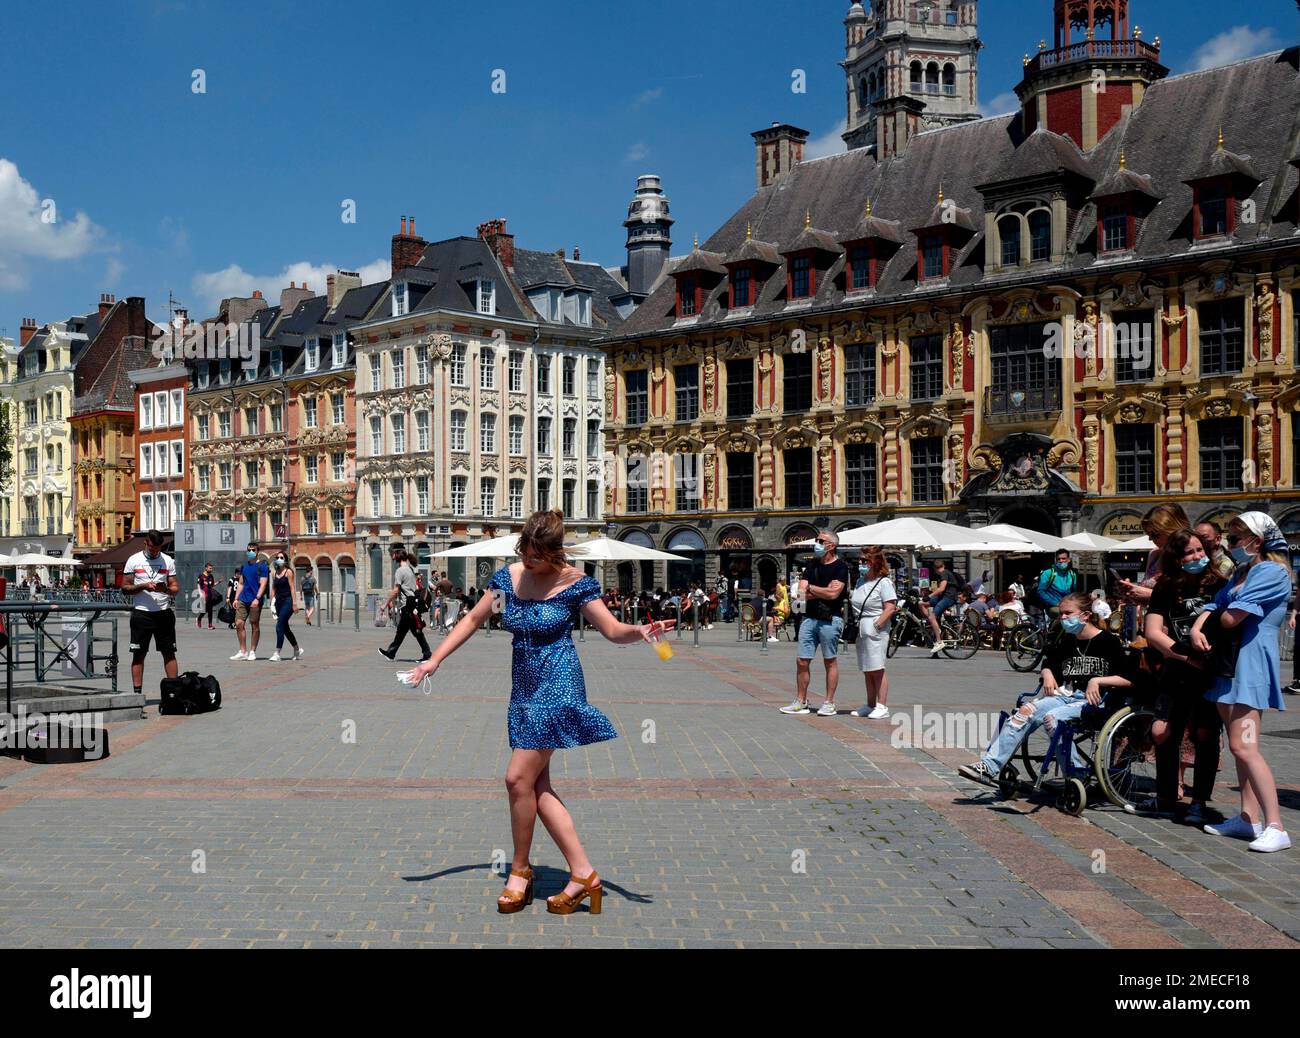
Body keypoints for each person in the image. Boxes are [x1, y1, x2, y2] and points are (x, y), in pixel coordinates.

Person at [400, 509, 674, 915]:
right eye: (524, 551)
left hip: (559, 684)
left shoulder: (575, 583)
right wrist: (433, 661)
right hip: (524, 687)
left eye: (537, 555)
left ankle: (520, 870)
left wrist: (641, 632)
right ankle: (583, 875)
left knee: (515, 778)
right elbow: (474, 619)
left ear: (554, 552)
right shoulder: (508, 579)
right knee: (535, 785)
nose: (528, 560)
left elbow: (613, 631)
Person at [1190, 512, 1292, 852]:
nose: (1230, 546)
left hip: (1250, 663)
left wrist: (1210, 616)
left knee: (1244, 747)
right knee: (1239, 747)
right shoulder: (1246, 571)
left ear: (1257, 540)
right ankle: (1249, 817)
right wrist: (1197, 624)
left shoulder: (1271, 571)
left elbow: (1231, 617)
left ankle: (1276, 824)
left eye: (1235, 539)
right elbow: (1216, 606)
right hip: (1229, 663)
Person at [958, 592, 1133, 786]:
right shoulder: (1068, 640)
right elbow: (1050, 662)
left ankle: (1075, 774)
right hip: (1065, 695)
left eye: (1068, 613)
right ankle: (989, 767)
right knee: (1024, 712)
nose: (1063, 618)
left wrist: (1098, 681)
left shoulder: (1108, 642)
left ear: (1085, 615)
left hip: (1094, 701)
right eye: (1061, 614)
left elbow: (1129, 678)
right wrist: (1048, 673)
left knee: (1053, 718)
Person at [1141, 529, 1227, 823]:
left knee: (1205, 734)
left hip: (1210, 672)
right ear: (1176, 559)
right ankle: (1165, 797)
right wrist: (1184, 655)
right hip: (1177, 668)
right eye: (1188, 553)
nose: (1196, 557)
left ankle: (1199, 802)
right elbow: (1152, 632)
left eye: (1199, 551)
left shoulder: (1220, 584)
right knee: (1162, 732)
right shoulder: (1165, 587)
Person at [781, 529, 849, 717]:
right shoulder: (811, 564)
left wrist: (811, 588)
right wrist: (818, 590)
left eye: (821, 540)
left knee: (830, 661)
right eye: (817, 540)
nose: (816, 543)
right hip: (809, 618)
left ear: (832, 545)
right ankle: (801, 701)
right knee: (802, 660)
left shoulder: (841, 567)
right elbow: (800, 593)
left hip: (830, 619)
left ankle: (829, 702)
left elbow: (834, 594)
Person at [123, 530, 181, 700]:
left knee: (169, 652)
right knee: (138, 654)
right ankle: (137, 696)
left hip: (163, 613)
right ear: (146, 543)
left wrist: (167, 590)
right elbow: (125, 587)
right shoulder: (134, 560)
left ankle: (174, 694)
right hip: (142, 613)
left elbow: (176, 588)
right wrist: (143, 587)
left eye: (157, 549)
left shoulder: (168, 560)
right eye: (152, 548)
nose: (155, 552)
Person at [849, 547, 897, 720]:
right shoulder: (860, 581)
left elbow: (890, 607)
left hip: (875, 626)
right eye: (860, 561)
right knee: (867, 668)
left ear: (874, 562)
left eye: (865, 561)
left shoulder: (884, 582)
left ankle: (882, 705)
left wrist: (877, 625)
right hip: (861, 626)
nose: (861, 564)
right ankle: (870, 704)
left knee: (877, 667)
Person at [1118, 503, 1191, 606]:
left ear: (1172, 530)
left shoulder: (1190, 556)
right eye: (1148, 534)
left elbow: (1191, 599)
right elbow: (1145, 592)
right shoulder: (1154, 554)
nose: (1150, 539)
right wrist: (1132, 590)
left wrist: (1150, 594)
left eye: (1154, 534)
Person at [379, 551, 432, 661]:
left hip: (407, 604)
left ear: (397, 559)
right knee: (410, 630)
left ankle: (426, 653)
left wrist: (385, 604)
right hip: (412, 603)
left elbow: (396, 590)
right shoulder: (410, 569)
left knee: (409, 631)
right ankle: (391, 653)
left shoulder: (400, 571)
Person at [231, 542, 269, 661]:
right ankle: (243, 651)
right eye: (249, 550)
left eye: (253, 550)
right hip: (243, 598)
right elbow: (241, 583)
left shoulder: (262, 567)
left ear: (258, 551)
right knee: (238, 623)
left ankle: (252, 651)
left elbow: (263, 584)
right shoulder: (245, 566)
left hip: (255, 600)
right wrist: (236, 598)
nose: (250, 552)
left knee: (254, 625)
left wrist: (257, 599)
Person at [920, 557, 961, 656]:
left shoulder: (944, 573)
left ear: (935, 568)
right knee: (921, 603)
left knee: (932, 616)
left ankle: (939, 641)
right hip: (942, 597)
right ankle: (934, 625)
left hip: (948, 598)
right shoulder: (945, 573)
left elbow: (941, 589)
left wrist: (928, 596)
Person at [268, 552, 304, 662]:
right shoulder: (275, 573)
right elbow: (274, 588)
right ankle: (297, 649)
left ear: (285, 560)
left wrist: (294, 603)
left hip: (288, 601)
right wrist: (271, 601)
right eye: (277, 557)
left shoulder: (288, 572)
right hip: (278, 602)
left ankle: (277, 653)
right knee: (285, 628)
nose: (279, 559)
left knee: (279, 626)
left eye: (281, 557)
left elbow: (292, 588)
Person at [196, 562, 218, 629]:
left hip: (210, 595)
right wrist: (200, 593)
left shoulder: (211, 576)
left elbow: (212, 585)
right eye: (210, 568)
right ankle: (199, 618)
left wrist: (219, 582)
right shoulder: (201, 576)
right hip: (204, 595)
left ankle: (210, 625)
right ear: (206, 568)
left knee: (210, 610)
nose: (211, 569)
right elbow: (198, 585)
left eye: (212, 568)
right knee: (205, 610)